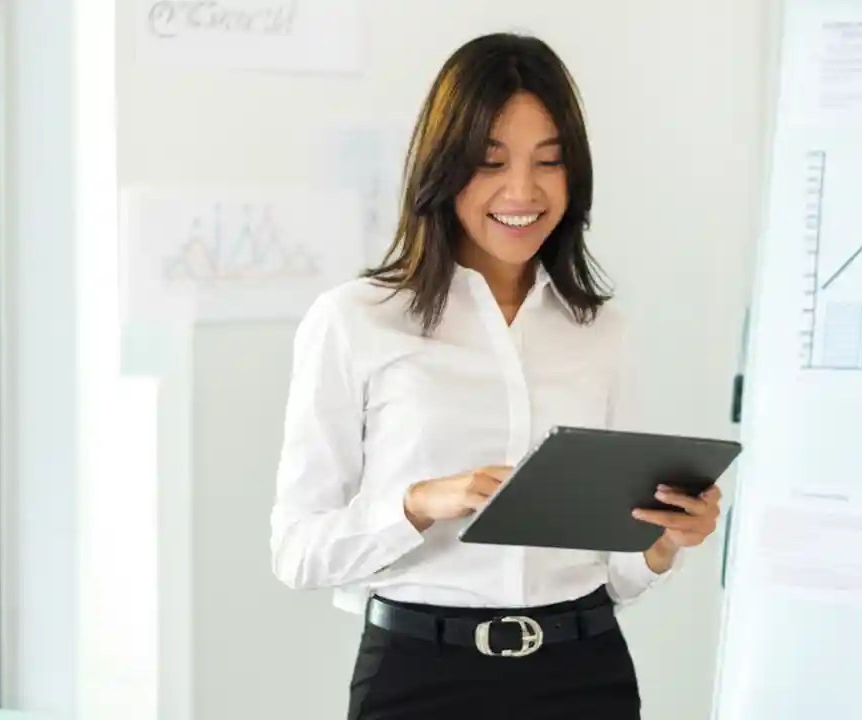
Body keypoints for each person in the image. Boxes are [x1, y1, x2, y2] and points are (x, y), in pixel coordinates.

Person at [270, 32, 724, 720]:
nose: (522, 191)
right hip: (420, 677)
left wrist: (663, 542)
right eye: (490, 163)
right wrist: (416, 503)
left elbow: (620, 575)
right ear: (444, 171)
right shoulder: (355, 320)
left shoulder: (599, 330)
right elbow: (297, 551)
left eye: (549, 162)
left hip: (585, 671)